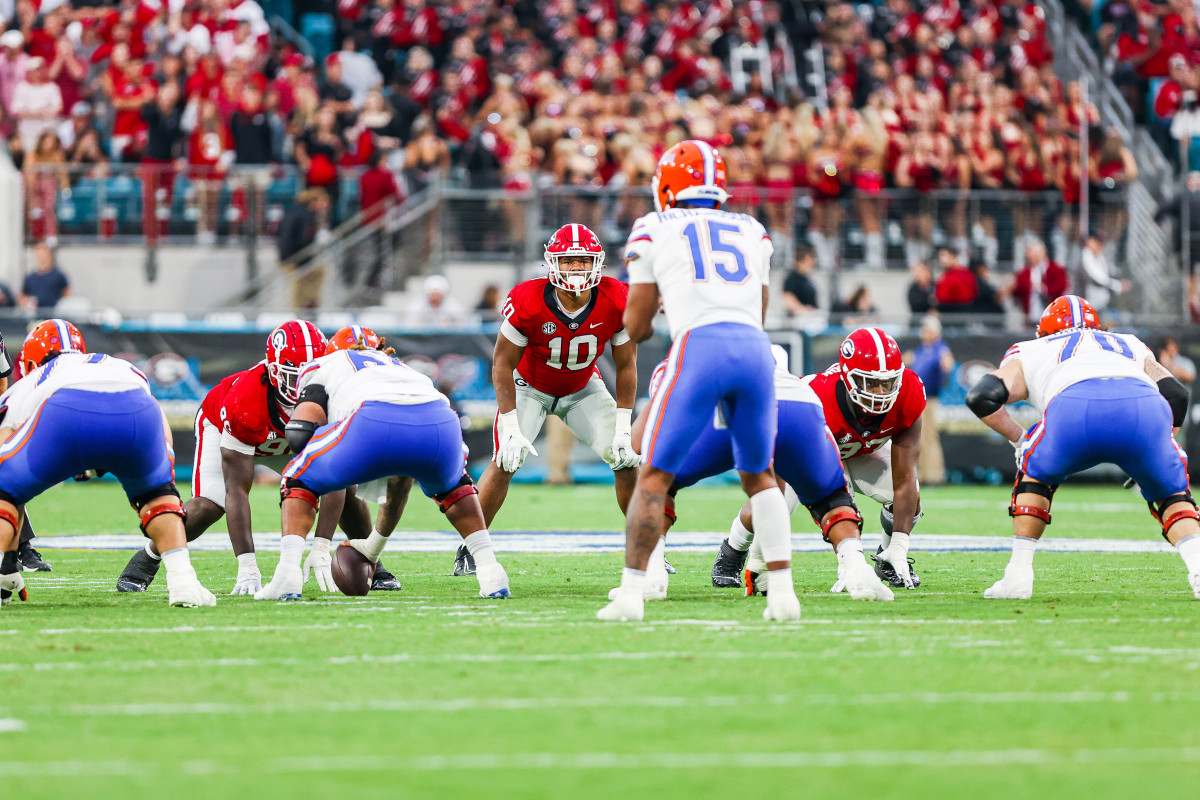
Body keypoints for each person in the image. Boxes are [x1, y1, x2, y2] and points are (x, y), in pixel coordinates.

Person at [599, 139, 800, 623]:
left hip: (700, 349)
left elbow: (639, 326)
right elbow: (760, 308)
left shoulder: (652, 226)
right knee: (760, 477)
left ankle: (631, 593)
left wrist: (667, 304)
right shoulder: (752, 229)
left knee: (653, 476)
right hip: (754, 350)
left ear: (667, 185)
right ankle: (784, 595)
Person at [115, 321, 402, 594]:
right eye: (296, 375)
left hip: (292, 435)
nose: (305, 383)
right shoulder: (245, 400)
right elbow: (236, 490)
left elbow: (334, 480)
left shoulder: (331, 389)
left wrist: (321, 548)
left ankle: (371, 562)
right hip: (236, 428)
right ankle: (150, 554)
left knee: (346, 489)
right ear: (274, 371)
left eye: (311, 372)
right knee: (209, 505)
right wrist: (247, 567)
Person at [965, 295, 1200, 600]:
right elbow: (1176, 394)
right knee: (1172, 495)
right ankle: (1197, 569)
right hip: (1144, 407)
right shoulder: (1127, 342)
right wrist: (1158, 446)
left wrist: (1020, 440)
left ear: (1044, 330)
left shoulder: (1030, 349)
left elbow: (981, 396)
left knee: (1034, 477)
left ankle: (1018, 575)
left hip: (1073, 407)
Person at [254, 334, 511, 601]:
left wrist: (324, 462)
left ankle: (287, 573)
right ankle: (491, 572)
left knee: (297, 477)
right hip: (441, 424)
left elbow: (300, 432)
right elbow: (399, 482)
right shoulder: (400, 366)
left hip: (374, 419)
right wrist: (371, 548)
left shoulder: (328, 363)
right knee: (455, 489)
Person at [637, 347, 892, 601]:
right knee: (832, 499)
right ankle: (858, 569)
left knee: (657, 481)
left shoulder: (684, 353)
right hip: (799, 403)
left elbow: (644, 442)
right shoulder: (774, 360)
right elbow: (773, 489)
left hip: (729, 407)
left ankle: (653, 570)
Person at [459, 224, 640, 575]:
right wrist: (510, 424)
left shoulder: (617, 297)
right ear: (552, 263)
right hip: (530, 386)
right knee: (505, 458)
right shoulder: (528, 299)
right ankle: (471, 546)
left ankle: (645, 543)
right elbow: (502, 364)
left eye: (582, 261)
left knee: (625, 458)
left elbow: (627, 366)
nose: (575, 269)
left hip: (583, 386)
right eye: (568, 261)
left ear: (597, 263)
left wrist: (622, 428)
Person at [0, 320, 215, 609]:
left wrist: (9, 561)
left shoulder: (35, 379)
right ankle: (183, 581)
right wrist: (160, 476)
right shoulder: (116, 364)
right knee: (157, 496)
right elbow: (155, 413)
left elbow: (4, 444)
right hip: (138, 413)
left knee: (5, 490)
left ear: (31, 361)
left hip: (66, 411)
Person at [726, 327, 927, 591]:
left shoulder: (909, 391)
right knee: (777, 502)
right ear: (848, 377)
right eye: (870, 383)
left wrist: (901, 544)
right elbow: (831, 498)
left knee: (908, 492)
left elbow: (905, 478)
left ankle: (889, 559)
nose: (879, 392)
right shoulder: (817, 398)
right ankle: (732, 551)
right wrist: (848, 559)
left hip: (861, 452)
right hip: (812, 449)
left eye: (886, 382)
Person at [907, 316, 954, 486]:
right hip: (918, 399)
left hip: (930, 400)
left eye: (926, 329)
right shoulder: (922, 350)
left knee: (930, 437)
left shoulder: (940, 348)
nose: (923, 332)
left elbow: (948, 363)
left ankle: (934, 475)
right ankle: (923, 474)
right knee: (919, 438)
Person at [1010, 240, 1070, 325]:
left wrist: (1042, 288)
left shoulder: (1056, 269)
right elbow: (1018, 292)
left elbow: (1061, 287)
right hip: (1031, 317)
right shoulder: (1024, 273)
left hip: (1052, 317)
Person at [1079, 233, 1130, 314]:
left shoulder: (1099, 257)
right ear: (1091, 241)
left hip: (1100, 303)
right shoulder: (1084, 256)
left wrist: (1119, 283)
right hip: (1086, 304)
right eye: (1098, 243)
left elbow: (1105, 276)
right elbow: (1097, 279)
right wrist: (1117, 285)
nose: (1100, 247)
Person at [20, 242, 70, 311]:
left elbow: (67, 293)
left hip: (53, 313)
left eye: (45, 250)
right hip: (35, 314)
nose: (42, 254)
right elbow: (23, 295)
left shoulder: (58, 275)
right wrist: (27, 302)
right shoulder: (30, 277)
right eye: (38, 250)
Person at [933, 247, 978, 313]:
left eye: (944, 255)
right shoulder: (946, 274)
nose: (941, 259)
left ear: (953, 257)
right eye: (940, 256)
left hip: (957, 312)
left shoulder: (963, 274)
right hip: (950, 312)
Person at [781, 246, 819, 317]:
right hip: (800, 319)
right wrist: (802, 309)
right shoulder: (793, 278)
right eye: (809, 260)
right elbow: (788, 299)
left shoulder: (807, 278)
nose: (813, 263)